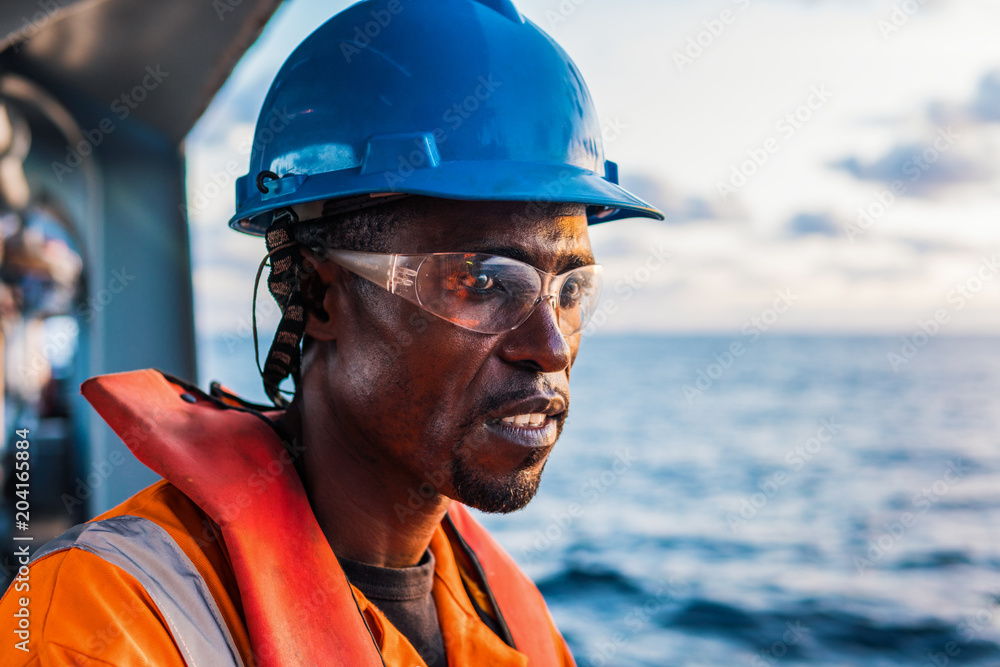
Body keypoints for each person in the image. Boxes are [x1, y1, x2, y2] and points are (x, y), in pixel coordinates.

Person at [0, 0, 662, 664]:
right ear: (316, 294)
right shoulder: (101, 622)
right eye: (482, 282)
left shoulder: (511, 615)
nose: (550, 347)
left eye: (570, 290)